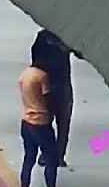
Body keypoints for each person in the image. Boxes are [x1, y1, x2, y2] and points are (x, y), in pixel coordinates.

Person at [18, 40, 71, 187]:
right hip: (41, 123)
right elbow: (47, 99)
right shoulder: (42, 77)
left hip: (26, 121)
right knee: (51, 158)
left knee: (28, 159)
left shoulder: (25, 74)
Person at [33, 30, 82, 167]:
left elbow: (81, 52)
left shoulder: (65, 37)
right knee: (51, 122)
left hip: (58, 85)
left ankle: (57, 155)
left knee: (60, 122)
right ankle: (51, 154)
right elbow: (35, 59)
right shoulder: (44, 37)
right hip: (51, 85)